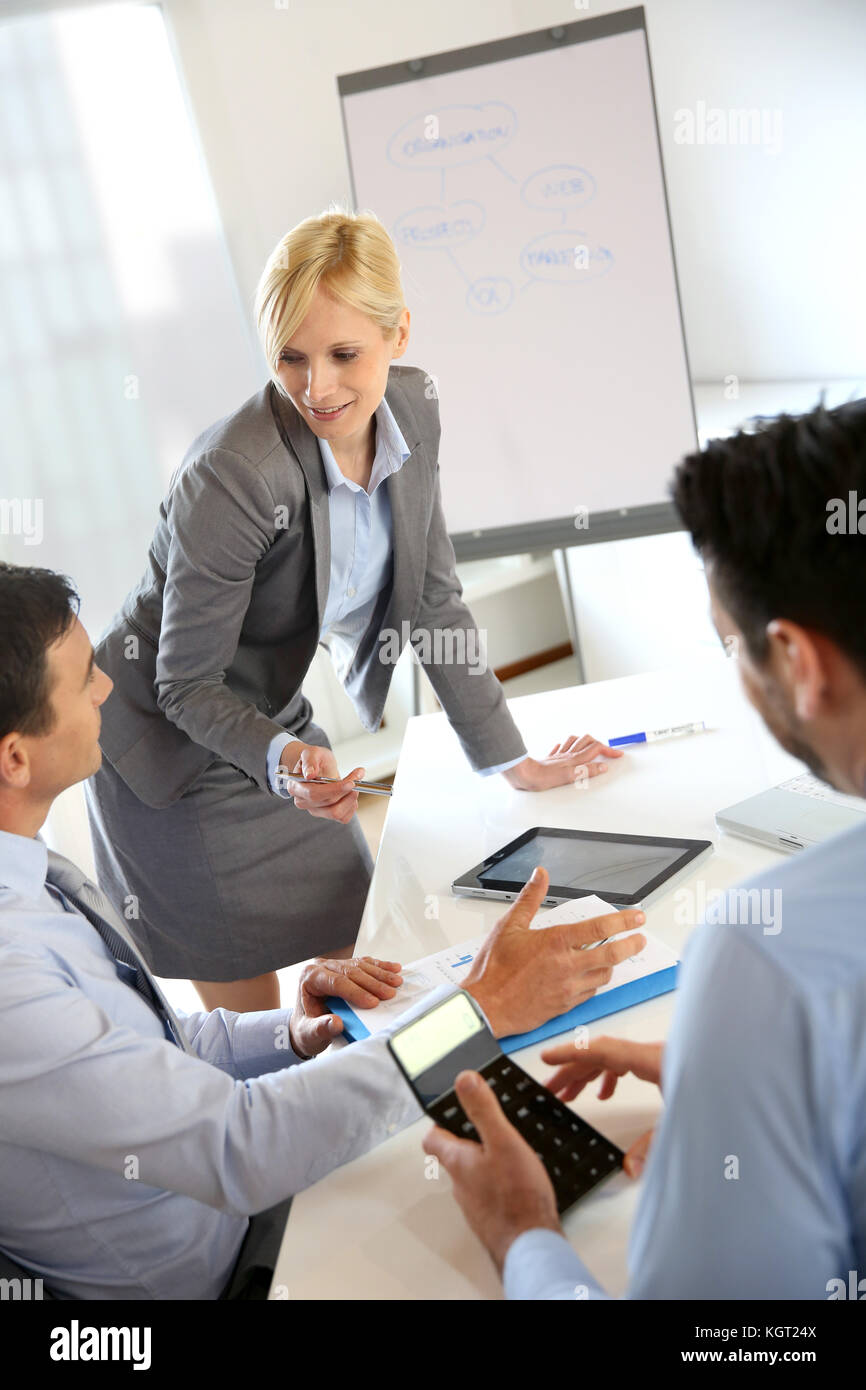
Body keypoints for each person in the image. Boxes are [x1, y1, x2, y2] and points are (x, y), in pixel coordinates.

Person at [0, 562, 646, 1299]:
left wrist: (292, 1032)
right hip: (245, 1267)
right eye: (86, 678)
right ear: (15, 758)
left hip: (256, 1204)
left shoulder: (25, 873)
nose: (109, 689)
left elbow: (160, 1050)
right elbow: (239, 1145)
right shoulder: (10, 975)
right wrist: (479, 1012)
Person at [84, 207, 623, 1014]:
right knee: (259, 1037)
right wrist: (286, 759)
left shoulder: (415, 411)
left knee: (363, 970)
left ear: (398, 334)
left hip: (264, 712)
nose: (317, 387)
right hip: (170, 750)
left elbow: (434, 598)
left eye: (344, 353)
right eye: (290, 358)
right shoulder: (235, 473)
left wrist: (512, 759)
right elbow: (185, 685)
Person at [423, 397, 866, 1299]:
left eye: (730, 650)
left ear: (800, 662)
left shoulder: (764, 961)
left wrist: (527, 1241)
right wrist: (757, 1084)